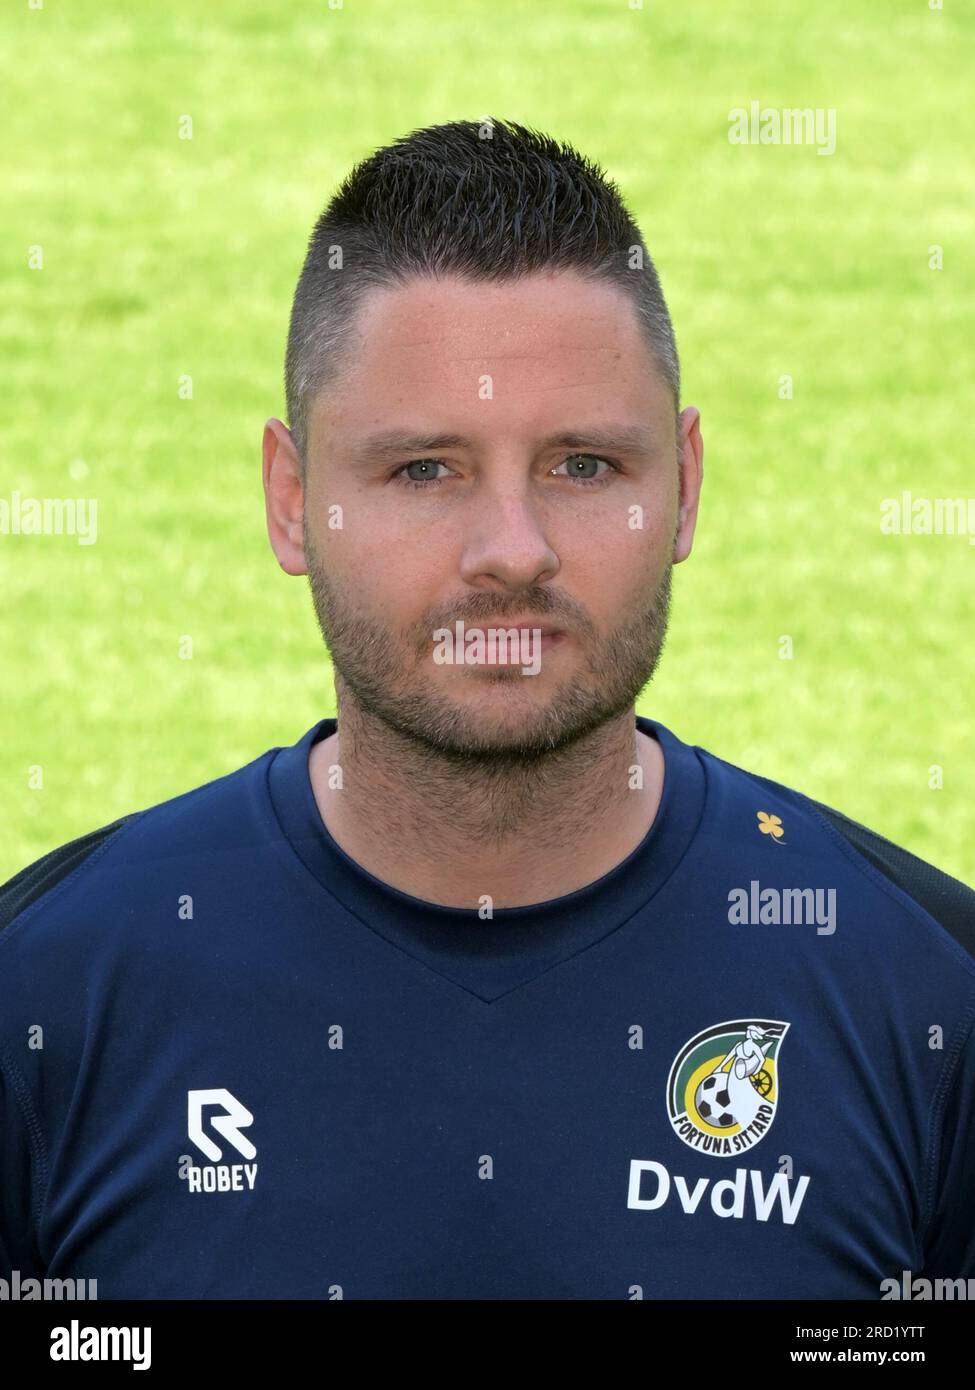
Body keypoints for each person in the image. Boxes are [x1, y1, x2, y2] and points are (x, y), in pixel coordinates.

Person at [1, 118, 972, 1301]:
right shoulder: (47, 994)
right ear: (293, 501)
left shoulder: (929, 995)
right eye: (424, 470)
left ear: (686, 488)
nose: (511, 552)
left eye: (582, 467)